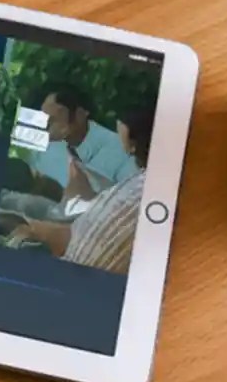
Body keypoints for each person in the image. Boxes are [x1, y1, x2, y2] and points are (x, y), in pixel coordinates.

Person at [13, 106, 154, 274]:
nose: (49, 127)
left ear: (80, 114)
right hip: (77, 224)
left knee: (24, 207)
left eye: (54, 120)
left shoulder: (120, 158)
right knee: (22, 208)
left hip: (81, 237)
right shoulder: (48, 151)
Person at [25, 82, 138, 201]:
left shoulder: (121, 150)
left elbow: (131, 200)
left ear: (80, 113)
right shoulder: (44, 151)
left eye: (55, 118)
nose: (47, 125)